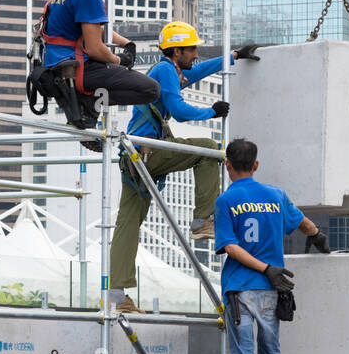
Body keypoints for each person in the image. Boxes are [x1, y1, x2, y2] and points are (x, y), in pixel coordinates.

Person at [107, 21, 259, 313]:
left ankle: (117, 297)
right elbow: (178, 111)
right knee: (210, 150)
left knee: (127, 226)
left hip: (137, 158)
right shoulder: (165, 69)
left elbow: (198, 70)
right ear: (176, 51)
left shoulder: (170, 70)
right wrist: (211, 112)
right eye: (191, 49)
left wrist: (234, 56)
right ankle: (202, 221)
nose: (195, 54)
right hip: (146, 154)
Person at [214, 138, 329, 354]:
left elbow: (230, 247)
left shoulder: (225, 200)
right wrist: (317, 235)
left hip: (239, 289)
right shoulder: (276, 195)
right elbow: (301, 220)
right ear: (256, 165)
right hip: (271, 290)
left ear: (227, 165)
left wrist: (264, 268)